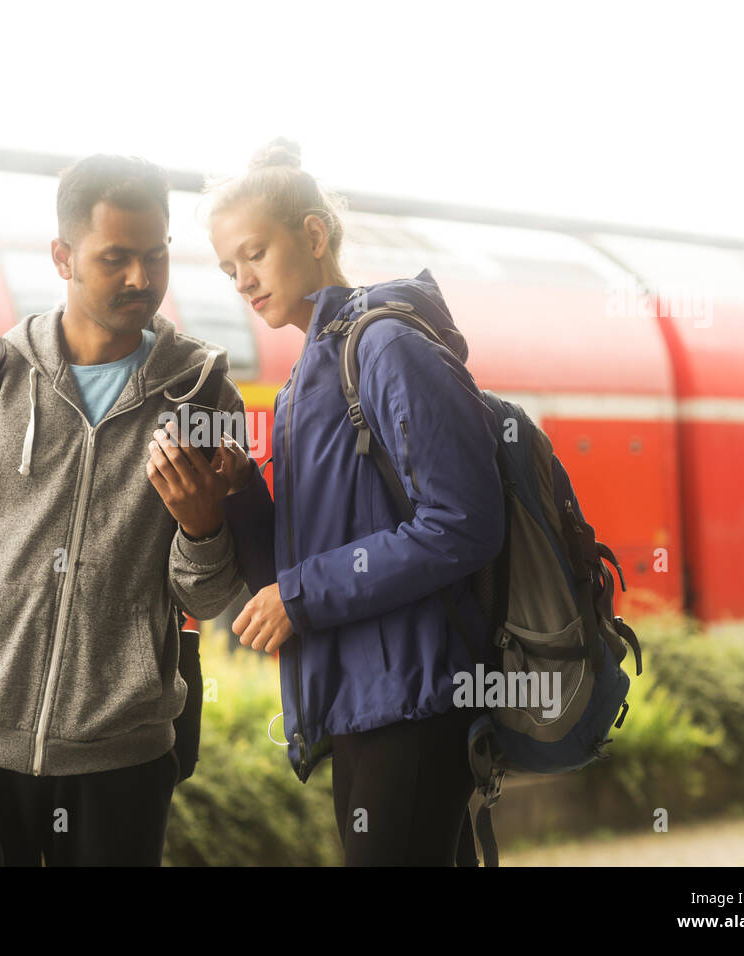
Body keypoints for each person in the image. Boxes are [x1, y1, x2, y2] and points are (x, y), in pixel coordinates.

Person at [0, 154, 249, 866]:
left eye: (155, 255)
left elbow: (209, 596)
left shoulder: (203, 398)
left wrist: (202, 527)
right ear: (64, 257)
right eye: (115, 258)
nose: (141, 278)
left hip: (122, 763)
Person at [179, 137, 505, 866]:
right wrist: (239, 495)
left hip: (414, 702)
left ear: (315, 234)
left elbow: (463, 524)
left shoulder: (388, 346)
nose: (242, 279)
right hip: (364, 700)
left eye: (254, 253)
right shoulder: (308, 375)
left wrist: (301, 597)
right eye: (230, 267)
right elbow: (306, 561)